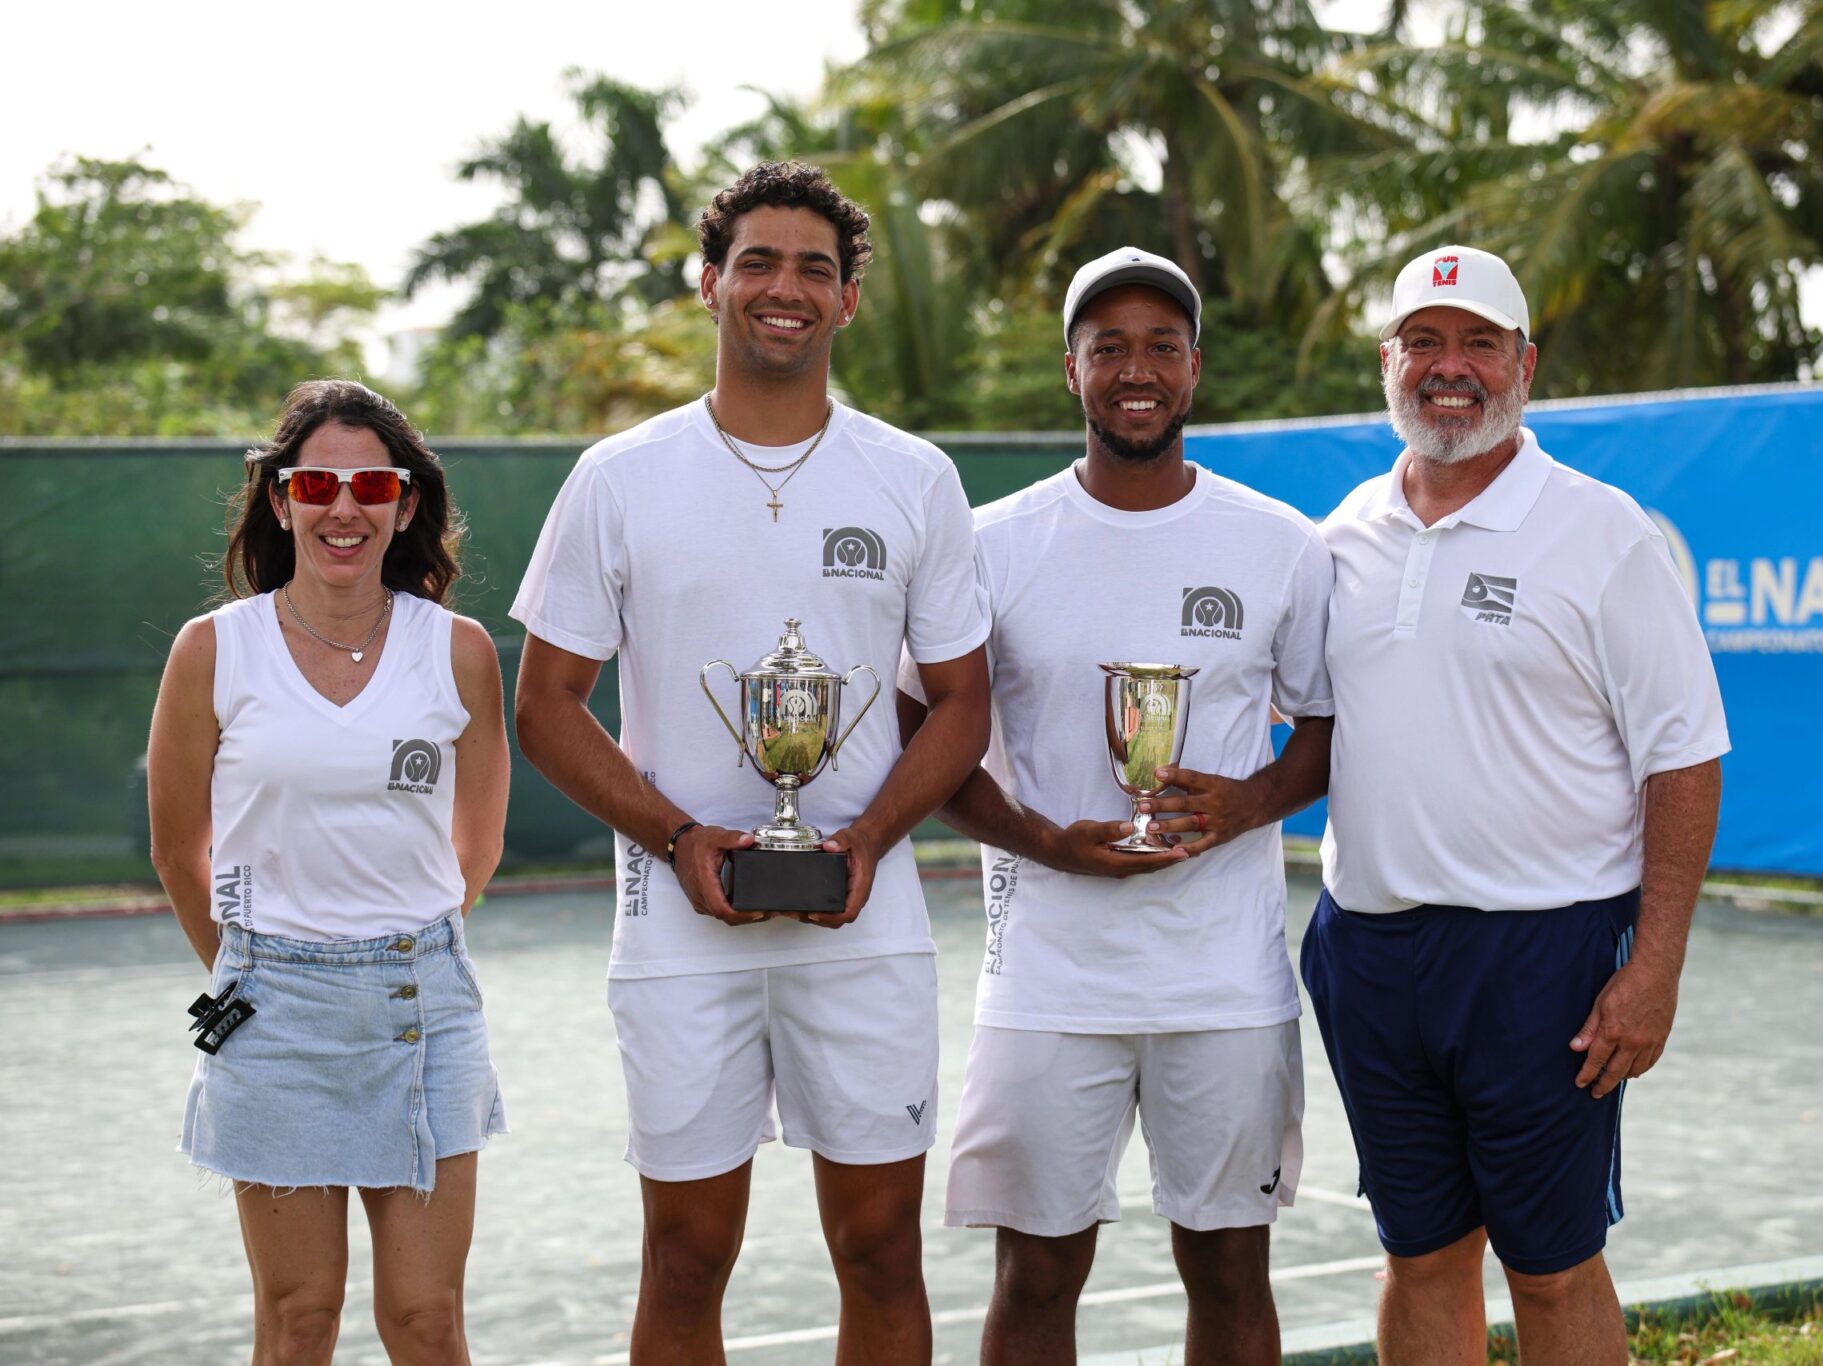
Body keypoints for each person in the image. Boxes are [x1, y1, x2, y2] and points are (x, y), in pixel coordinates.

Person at [510, 161, 991, 1364]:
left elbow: (963, 704)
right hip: (678, 924)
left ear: (847, 300)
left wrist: (867, 839)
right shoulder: (618, 478)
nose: (786, 288)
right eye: (760, 263)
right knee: (685, 1256)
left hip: (863, 921)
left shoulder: (913, 477)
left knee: (881, 1248)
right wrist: (678, 839)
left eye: (815, 269)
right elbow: (546, 706)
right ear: (711, 281)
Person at [900, 246, 1335, 1365]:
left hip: (1224, 980)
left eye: (1158, 346)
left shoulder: (1280, 544)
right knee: (1036, 1269)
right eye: (1107, 348)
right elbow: (918, 729)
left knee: (1229, 1263)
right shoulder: (990, 544)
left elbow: (1328, 731)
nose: (1133, 369)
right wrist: (1043, 840)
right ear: (1070, 369)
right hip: (1046, 978)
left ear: (1192, 370)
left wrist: (1245, 804)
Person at [1304, 245, 1729, 1365]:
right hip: (1370, 950)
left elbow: (1683, 759)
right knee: (1419, 1254)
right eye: (1424, 342)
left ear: (1523, 363)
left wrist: (1654, 966)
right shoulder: (1340, 533)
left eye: (1477, 343)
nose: (1450, 368)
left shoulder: (1602, 533)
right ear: (1388, 362)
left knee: (1550, 1266)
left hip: (1545, 959)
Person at [147, 379, 511, 1363]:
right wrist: (251, 970)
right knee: (300, 1318)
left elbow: (476, 840)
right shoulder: (212, 650)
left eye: (368, 485)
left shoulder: (462, 653)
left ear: (402, 502)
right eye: (315, 485)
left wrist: (402, 932)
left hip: (424, 1004)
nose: (342, 507)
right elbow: (178, 846)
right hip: (270, 1009)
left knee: (425, 1319)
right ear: (279, 500)